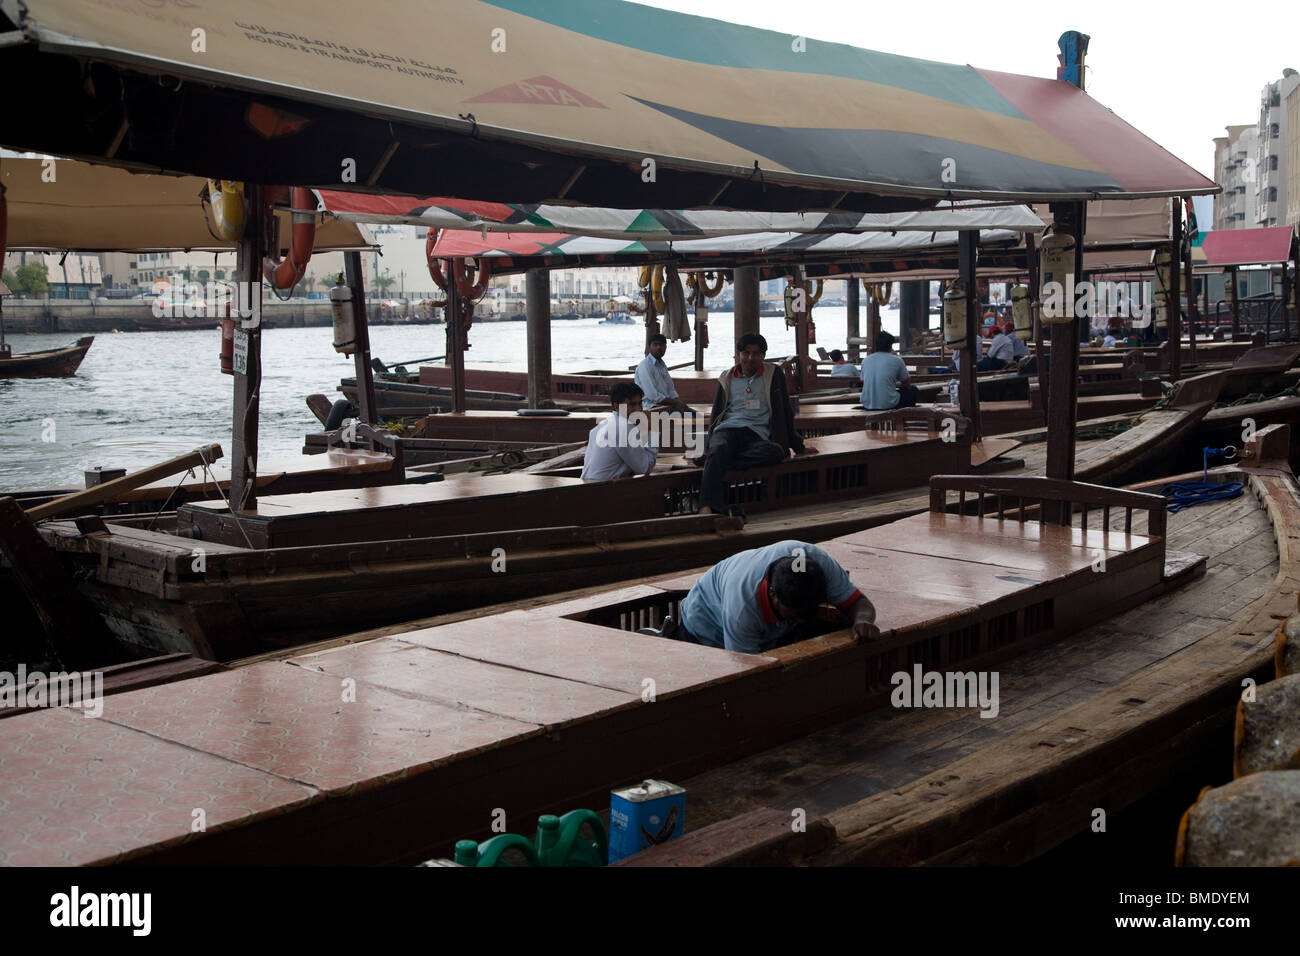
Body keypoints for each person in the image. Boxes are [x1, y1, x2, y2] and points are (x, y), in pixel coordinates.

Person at [652, 540, 879, 653]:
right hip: (705, 632)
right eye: (795, 613)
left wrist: (863, 621)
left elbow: (859, 603)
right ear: (773, 595)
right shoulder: (742, 610)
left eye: (809, 610)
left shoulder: (818, 562)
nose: (802, 618)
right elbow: (747, 675)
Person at [697, 333, 811, 515]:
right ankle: (707, 507)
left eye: (756, 353)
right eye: (746, 353)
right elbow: (717, 412)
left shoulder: (773, 374)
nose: (750, 358)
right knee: (718, 448)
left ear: (763, 355)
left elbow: (785, 411)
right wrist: (709, 445)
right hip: (727, 430)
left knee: (776, 452)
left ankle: (717, 461)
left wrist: (798, 446)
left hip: (757, 434)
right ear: (739, 354)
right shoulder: (726, 377)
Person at [579, 382, 657, 482]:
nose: (638, 409)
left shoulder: (602, 425)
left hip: (587, 487)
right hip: (602, 491)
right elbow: (645, 468)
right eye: (632, 405)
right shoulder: (623, 428)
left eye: (640, 403)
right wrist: (651, 431)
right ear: (616, 407)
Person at [633, 334, 692, 414]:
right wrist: (676, 403)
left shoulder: (661, 365)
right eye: (655, 345)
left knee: (696, 415)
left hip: (667, 406)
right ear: (649, 347)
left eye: (661, 345)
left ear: (665, 347)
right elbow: (652, 395)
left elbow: (670, 389)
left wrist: (679, 402)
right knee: (696, 419)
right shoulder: (644, 366)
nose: (658, 347)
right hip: (652, 408)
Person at [860, 331, 918, 410]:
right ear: (890, 346)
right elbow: (906, 383)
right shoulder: (897, 360)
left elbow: (864, 382)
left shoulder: (865, 360)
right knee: (913, 390)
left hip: (867, 403)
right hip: (888, 404)